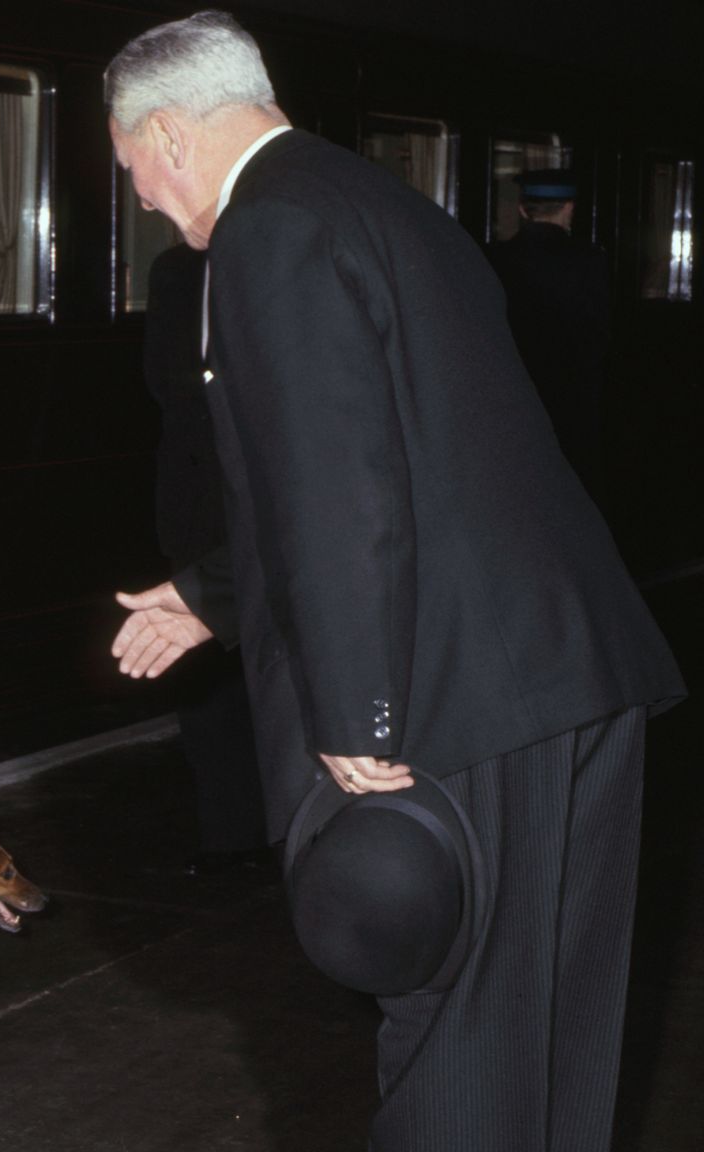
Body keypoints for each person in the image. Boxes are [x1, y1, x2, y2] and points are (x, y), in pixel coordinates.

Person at [103, 12, 684, 1150]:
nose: (139, 200)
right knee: (551, 1042)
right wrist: (210, 594)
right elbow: (413, 458)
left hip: (447, 698)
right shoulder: (373, 204)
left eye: (129, 170)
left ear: (167, 134)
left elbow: (341, 485)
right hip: (558, 674)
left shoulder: (265, 231)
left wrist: (356, 709)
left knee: (453, 1042)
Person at [133, 242, 266, 876]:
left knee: (241, 675)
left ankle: (252, 833)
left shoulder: (197, 267)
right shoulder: (184, 268)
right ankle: (240, 832)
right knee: (217, 677)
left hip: (231, 496)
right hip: (209, 497)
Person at [487, 168, 612, 499]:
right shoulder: (589, 261)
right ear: (569, 208)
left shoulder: (494, 258)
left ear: (523, 209)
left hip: (507, 395)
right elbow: (598, 336)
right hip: (570, 398)